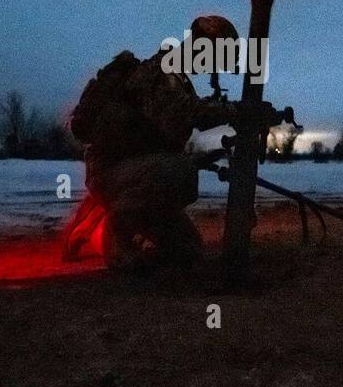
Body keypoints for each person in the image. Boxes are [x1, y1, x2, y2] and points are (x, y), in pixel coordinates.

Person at [66, 16, 237, 271]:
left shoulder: (176, 77)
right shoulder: (162, 70)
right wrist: (236, 112)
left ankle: (114, 222)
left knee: (187, 250)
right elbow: (186, 113)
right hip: (112, 170)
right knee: (180, 171)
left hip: (134, 171)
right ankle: (117, 235)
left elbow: (168, 130)